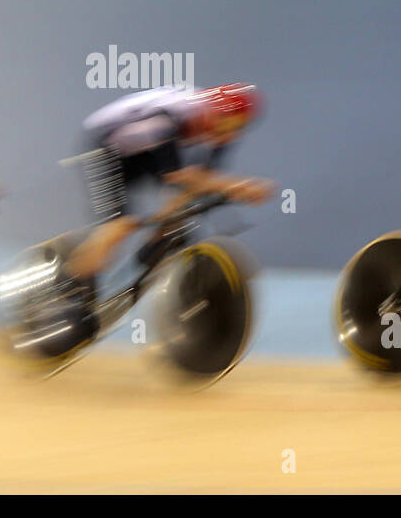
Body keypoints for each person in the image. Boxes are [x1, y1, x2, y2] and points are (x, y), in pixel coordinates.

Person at [64, 83, 272, 339]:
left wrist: (169, 225)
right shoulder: (169, 117)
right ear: (209, 112)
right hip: (104, 146)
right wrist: (236, 186)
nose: (227, 134)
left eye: (236, 128)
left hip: (141, 150)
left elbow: (203, 179)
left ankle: (148, 255)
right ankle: (68, 298)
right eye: (224, 124)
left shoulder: (221, 129)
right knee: (118, 227)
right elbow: (175, 176)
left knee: (181, 212)